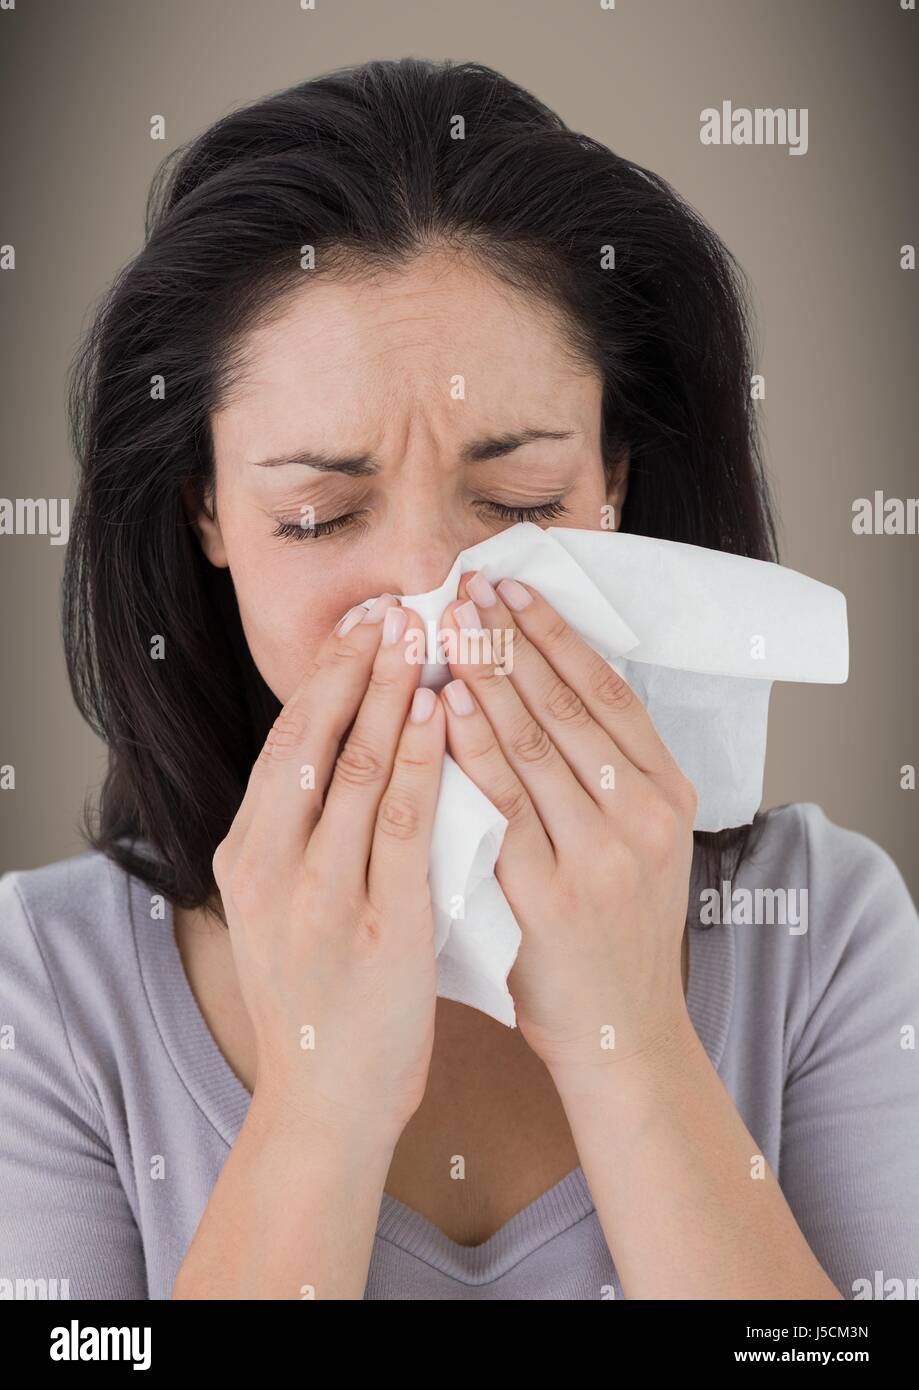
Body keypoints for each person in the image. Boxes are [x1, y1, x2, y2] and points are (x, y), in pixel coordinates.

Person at [1, 58, 917, 1302]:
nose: (437, 591)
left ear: (615, 485)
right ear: (208, 512)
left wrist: (635, 1047)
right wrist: (320, 1102)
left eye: (520, 502)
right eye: (321, 515)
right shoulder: (46, 987)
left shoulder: (821, 932)